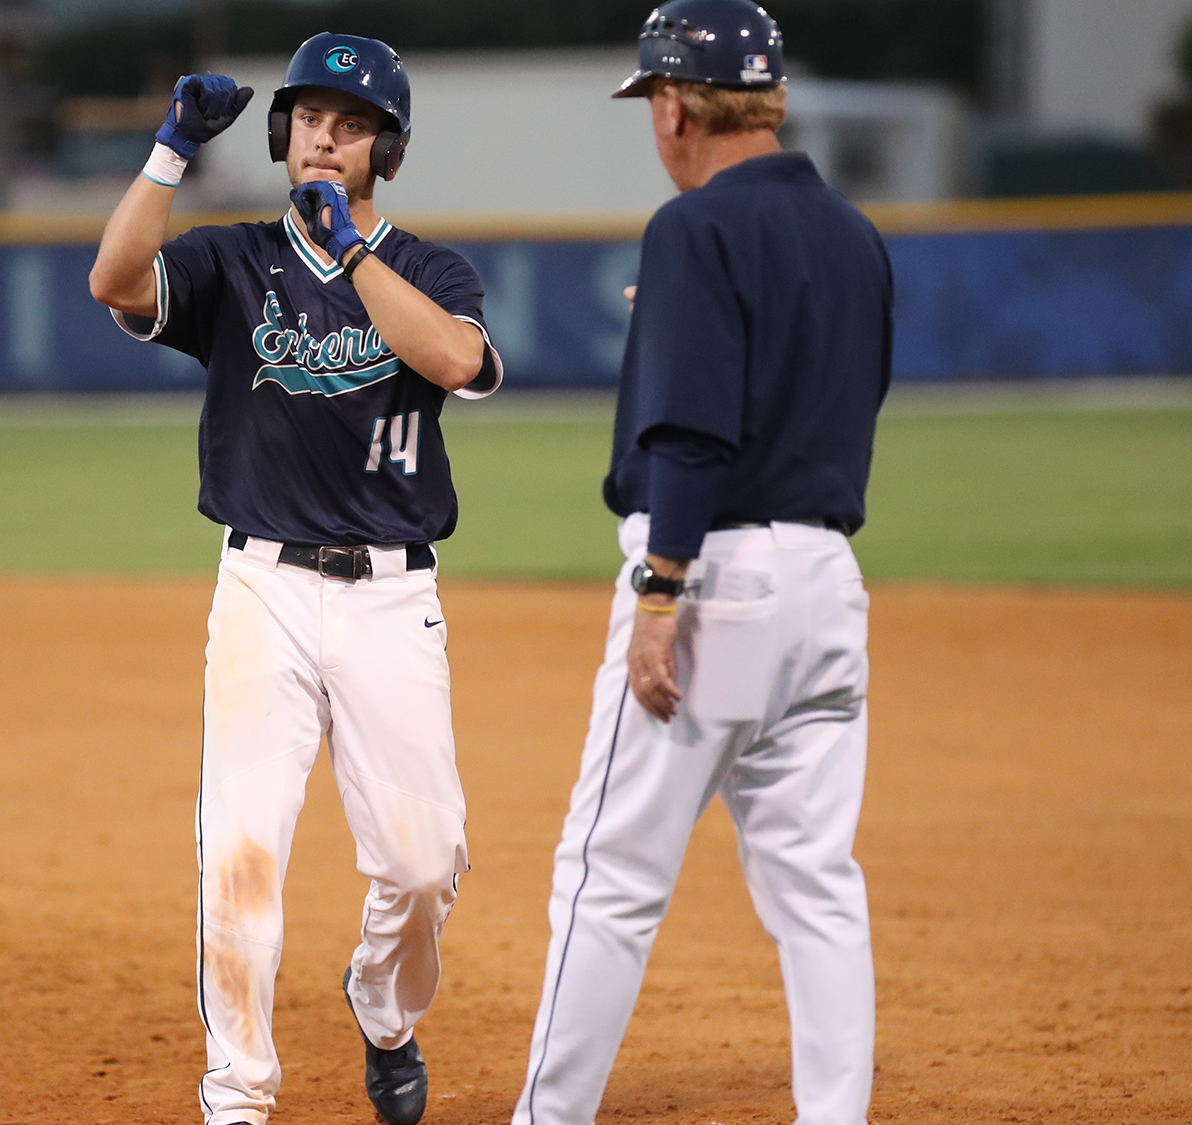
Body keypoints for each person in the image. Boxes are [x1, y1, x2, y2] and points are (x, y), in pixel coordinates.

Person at [88, 32, 503, 1125]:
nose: (326, 134)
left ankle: (381, 1000)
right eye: (311, 116)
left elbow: (456, 362)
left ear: (384, 151)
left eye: (352, 122)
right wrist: (170, 151)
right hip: (262, 590)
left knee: (423, 866)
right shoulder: (230, 263)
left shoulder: (424, 268)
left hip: (390, 596)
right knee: (239, 855)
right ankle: (238, 1098)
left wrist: (350, 254)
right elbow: (114, 279)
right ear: (283, 132)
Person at [508, 3, 893, 1125]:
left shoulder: (691, 231)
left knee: (608, 878)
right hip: (829, 591)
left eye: (651, 105)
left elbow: (692, 435)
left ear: (675, 105)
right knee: (817, 890)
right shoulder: (855, 234)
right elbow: (819, 392)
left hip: (715, 581)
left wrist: (659, 594)